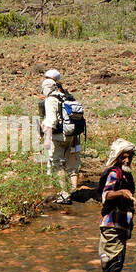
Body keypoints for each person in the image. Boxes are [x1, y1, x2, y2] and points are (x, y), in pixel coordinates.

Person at [96, 138, 136, 272]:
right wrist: (121, 192)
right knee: (115, 263)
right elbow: (106, 194)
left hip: (113, 225)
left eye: (129, 157)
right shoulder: (115, 173)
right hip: (114, 225)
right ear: (117, 157)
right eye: (124, 157)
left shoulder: (125, 175)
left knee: (108, 259)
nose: (127, 160)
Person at [41, 69, 81, 204]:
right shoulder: (65, 96)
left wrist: (47, 138)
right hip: (70, 135)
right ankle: (70, 190)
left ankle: (64, 194)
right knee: (69, 163)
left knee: (58, 164)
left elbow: (52, 121)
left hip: (58, 136)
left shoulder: (51, 99)